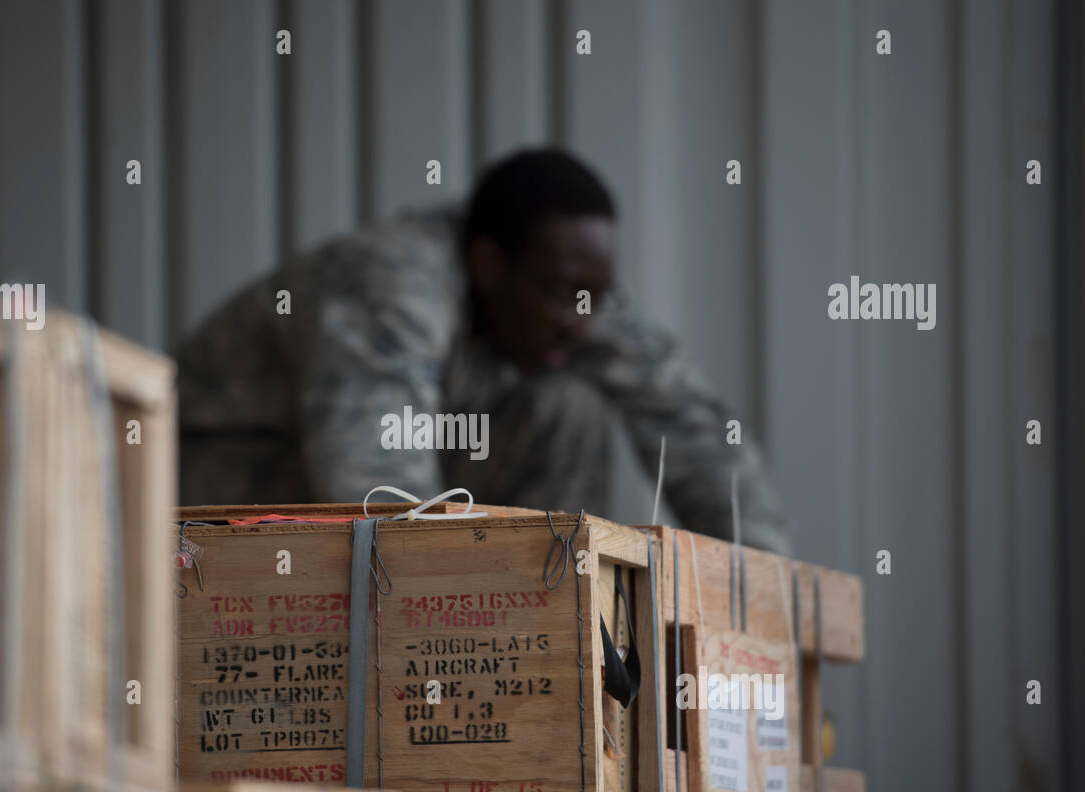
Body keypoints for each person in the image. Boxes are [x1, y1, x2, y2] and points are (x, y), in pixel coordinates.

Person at [174, 148, 790, 553]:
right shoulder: (395, 283)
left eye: (595, 298)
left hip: (356, 477)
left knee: (568, 409)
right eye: (561, 295)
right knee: (394, 526)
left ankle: (548, 644)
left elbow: (692, 424)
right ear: (490, 264)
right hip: (216, 492)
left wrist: (765, 600)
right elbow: (376, 483)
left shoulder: (572, 295)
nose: (581, 323)